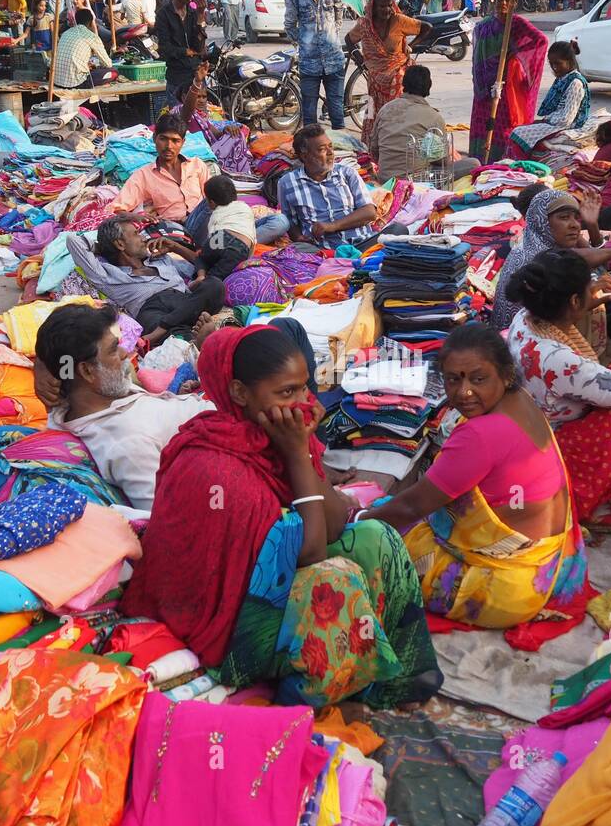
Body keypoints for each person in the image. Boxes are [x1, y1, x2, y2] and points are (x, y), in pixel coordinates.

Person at [122, 325, 442, 707]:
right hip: (226, 628)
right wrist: (296, 454)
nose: (303, 402)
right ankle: (299, 697)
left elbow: (336, 520)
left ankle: (402, 675)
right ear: (239, 392)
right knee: (333, 583)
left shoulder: (271, 438)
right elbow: (310, 552)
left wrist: (305, 449)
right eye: (286, 392)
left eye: (304, 387)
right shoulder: (213, 466)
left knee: (377, 536)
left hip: (268, 584)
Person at [358, 324, 589, 631]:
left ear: (505, 375)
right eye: (454, 380)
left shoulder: (480, 434)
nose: (464, 392)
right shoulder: (518, 400)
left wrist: (359, 522)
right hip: (552, 567)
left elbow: (412, 508)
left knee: (370, 541)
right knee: (387, 510)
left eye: (478, 379)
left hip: (507, 589)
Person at [505, 250, 611, 523]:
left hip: (536, 412)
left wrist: (589, 302)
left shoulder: (525, 318)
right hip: (548, 444)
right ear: (572, 300)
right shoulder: (559, 360)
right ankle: (578, 499)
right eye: (585, 291)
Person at [33, 303, 213, 515]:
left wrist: (42, 365)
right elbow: (163, 518)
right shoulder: (126, 444)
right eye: (113, 349)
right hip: (230, 428)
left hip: (203, 404)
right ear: (87, 371)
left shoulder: (88, 394)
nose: (125, 353)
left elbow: (60, 338)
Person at [67, 215, 225, 348]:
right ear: (120, 244)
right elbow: (72, 240)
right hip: (151, 310)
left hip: (184, 302)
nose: (143, 238)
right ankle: (191, 340)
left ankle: (163, 330)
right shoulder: (108, 275)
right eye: (136, 233)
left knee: (215, 285)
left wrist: (175, 247)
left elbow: (203, 264)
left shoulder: (160, 258)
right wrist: (105, 246)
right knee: (174, 336)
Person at [491, 188, 611, 331]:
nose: (575, 224)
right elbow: (591, 264)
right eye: (564, 217)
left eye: (577, 218)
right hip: (527, 340)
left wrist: (591, 224)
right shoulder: (539, 257)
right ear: (543, 221)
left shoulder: (536, 241)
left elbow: (598, 265)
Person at [277, 124, 396, 249]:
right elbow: (289, 220)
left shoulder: (347, 173)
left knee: (397, 230)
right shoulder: (287, 183)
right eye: (322, 149)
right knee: (295, 251)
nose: (330, 153)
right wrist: (298, 237)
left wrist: (332, 226)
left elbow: (369, 212)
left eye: (331, 147)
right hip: (323, 249)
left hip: (362, 242)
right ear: (305, 156)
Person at [470, 0, 548, 162]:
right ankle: (481, 161)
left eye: (508, 0)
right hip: (483, 90)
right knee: (483, 126)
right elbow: (476, 58)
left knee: (502, 126)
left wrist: (516, 54)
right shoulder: (483, 26)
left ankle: (502, 162)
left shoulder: (517, 24)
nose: (504, 3)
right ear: (494, 0)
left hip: (504, 88)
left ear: (514, 3)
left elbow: (541, 41)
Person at [110, 112, 214, 240]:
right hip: (173, 228)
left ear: (183, 142)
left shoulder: (197, 165)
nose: (169, 146)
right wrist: (138, 217)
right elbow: (117, 209)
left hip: (202, 221)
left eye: (175, 141)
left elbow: (212, 200)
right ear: (154, 139)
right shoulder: (144, 175)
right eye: (163, 139)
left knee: (217, 196)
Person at [344, 0, 427, 145]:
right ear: (373, 7)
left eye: (390, 5)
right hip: (375, 81)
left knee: (398, 118)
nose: (387, 9)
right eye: (382, 6)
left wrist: (412, 46)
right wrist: (360, 59)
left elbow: (426, 28)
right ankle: (376, 147)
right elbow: (349, 40)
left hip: (398, 80)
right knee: (374, 116)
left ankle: (398, 146)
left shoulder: (399, 20)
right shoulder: (364, 25)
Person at [370, 65, 480, 183]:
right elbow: (440, 161)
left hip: (385, 178)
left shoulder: (386, 109)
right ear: (428, 86)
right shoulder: (433, 117)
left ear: (404, 84)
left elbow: (374, 149)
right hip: (417, 181)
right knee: (474, 163)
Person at [284, 0, 346, 129]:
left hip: (334, 61)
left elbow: (339, 17)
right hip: (309, 64)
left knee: (337, 113)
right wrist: (304, 42)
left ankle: (342, 156)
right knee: (310, 117)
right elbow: (289, 25)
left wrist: (331, 37)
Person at [509, 40, 592, 158]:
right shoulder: (562, 78)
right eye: (551, 64)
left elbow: (566, 118)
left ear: (569, 61)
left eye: (558, 64)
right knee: (519, 129)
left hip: (566, 125)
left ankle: (520, 164)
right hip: (555, 122)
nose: (554, 68)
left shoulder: (575, 83)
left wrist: (546, 121)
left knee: (518, 134)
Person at [155, 0, 208, 100]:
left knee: (200, 117)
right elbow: (164, 48)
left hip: (196, 74)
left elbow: (199, 46)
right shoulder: (164, 14)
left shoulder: (193, 12)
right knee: (178, 118)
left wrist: (201, 17)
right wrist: (185, 52)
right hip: (177, 77)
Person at [52, 8, 117, 89]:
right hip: (76, 83)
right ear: (90, 23)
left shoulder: (65, 33)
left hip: (57, 81)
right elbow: (108, 64)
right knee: (114, 72)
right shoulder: (91, 36)